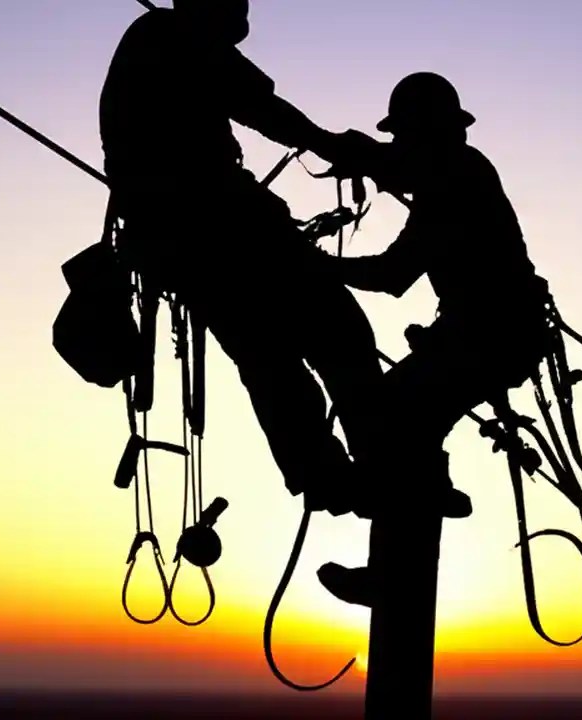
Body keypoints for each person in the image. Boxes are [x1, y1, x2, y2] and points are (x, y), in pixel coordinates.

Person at [98, 1, 470, 519]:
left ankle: (336, 477)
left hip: (181, 238)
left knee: (270, 356)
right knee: (333, 329)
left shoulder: (162, 40)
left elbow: (248, 97)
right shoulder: (173, 34)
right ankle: (373, 467)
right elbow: (259, 105)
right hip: (212, 221)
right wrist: (328, 144)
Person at [314, 72, 551, 605]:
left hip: (491, 333)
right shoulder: (460, 169)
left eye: (404, 136)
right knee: (401, 415)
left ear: (423, 135)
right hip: (494, 330)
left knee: (391, 412)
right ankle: (424, 502)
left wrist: (323, 268)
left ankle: (393, 566)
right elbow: (395, 166)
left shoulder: (450, 182)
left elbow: (395, 275)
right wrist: (361, 154)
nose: (399, 146)